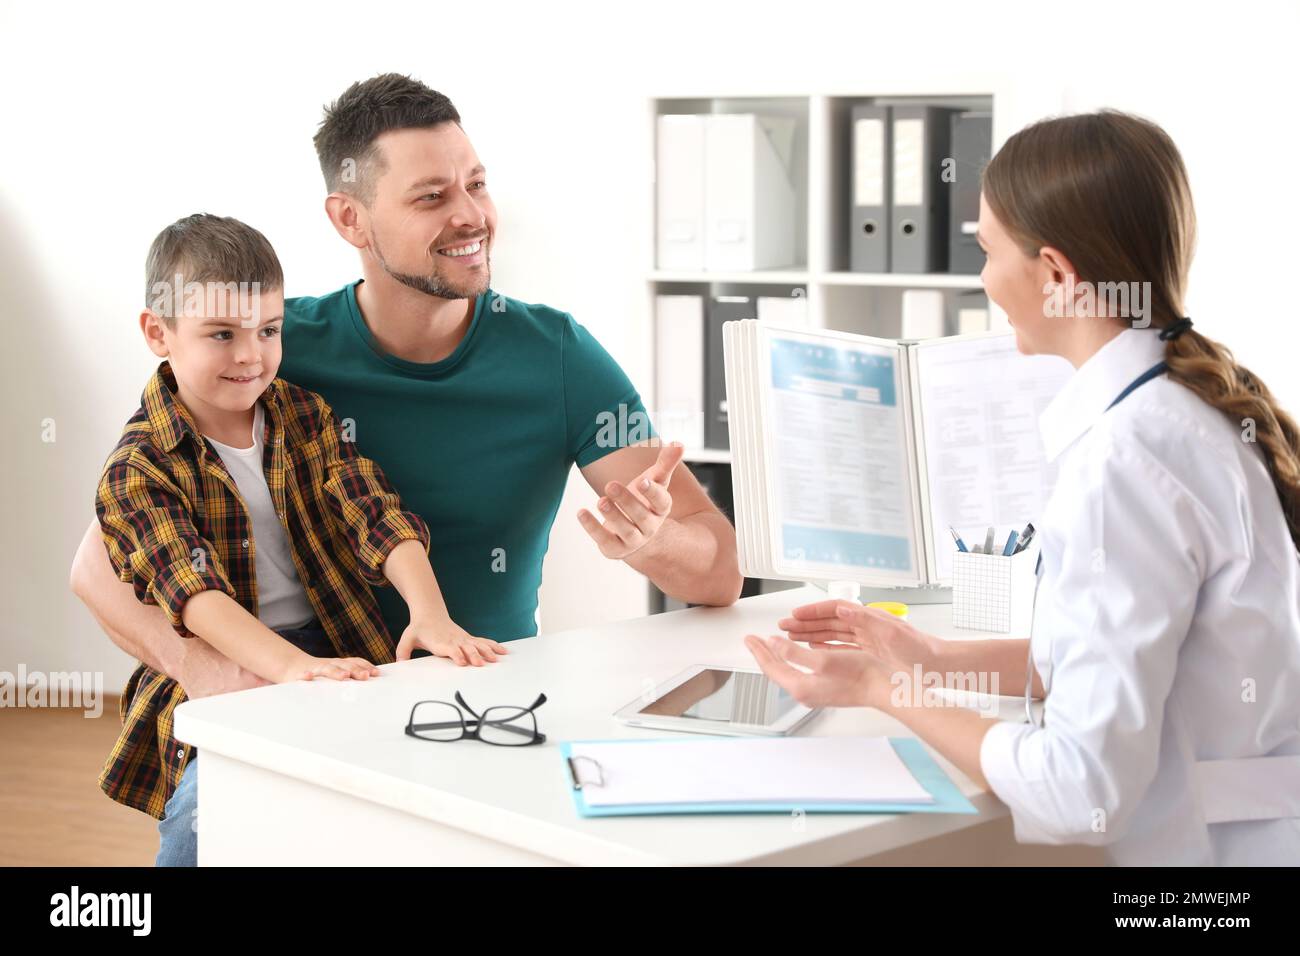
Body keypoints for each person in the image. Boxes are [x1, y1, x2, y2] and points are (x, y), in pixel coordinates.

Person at [746, 110, 1300, 865]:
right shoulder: (1185, 410)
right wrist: (933, 657)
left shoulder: (1125, 461)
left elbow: (1080, 792)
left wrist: (884, 689)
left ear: (1057, 274)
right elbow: (1131, 650)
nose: (983, 280)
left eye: (986, 250)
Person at [95, 213, 509, 865]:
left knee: (398, 797)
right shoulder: (138, 469)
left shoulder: (302, 415)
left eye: (267, 330)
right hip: (225, 659)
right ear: (159, 332)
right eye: (221, 334)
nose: (249, 355)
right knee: (205, 821)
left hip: (337, 646)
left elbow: (373, 512)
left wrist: (431, 614)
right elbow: (190, 593)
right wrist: (287, 669)